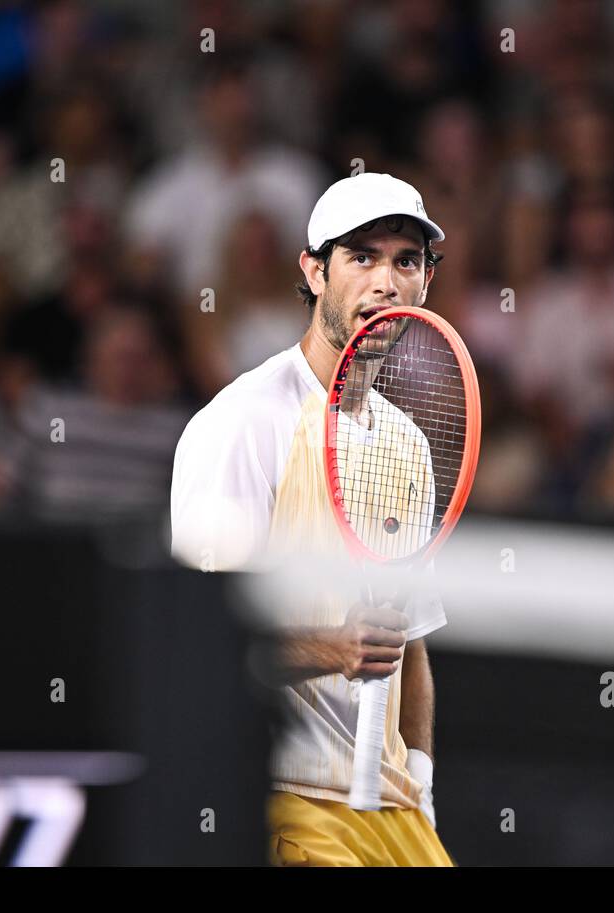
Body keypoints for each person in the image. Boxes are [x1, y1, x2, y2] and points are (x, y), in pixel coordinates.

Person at [169, 173, 454, 866]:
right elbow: (192, 640)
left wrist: (420, 778)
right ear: (314, 271)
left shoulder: (407, 443)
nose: (385, 282)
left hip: (393, 811)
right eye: (362, 257)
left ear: (424, 284)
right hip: (282, 796)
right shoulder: (241, 424)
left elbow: (411, 648)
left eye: (406, 261)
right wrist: (334, 648)